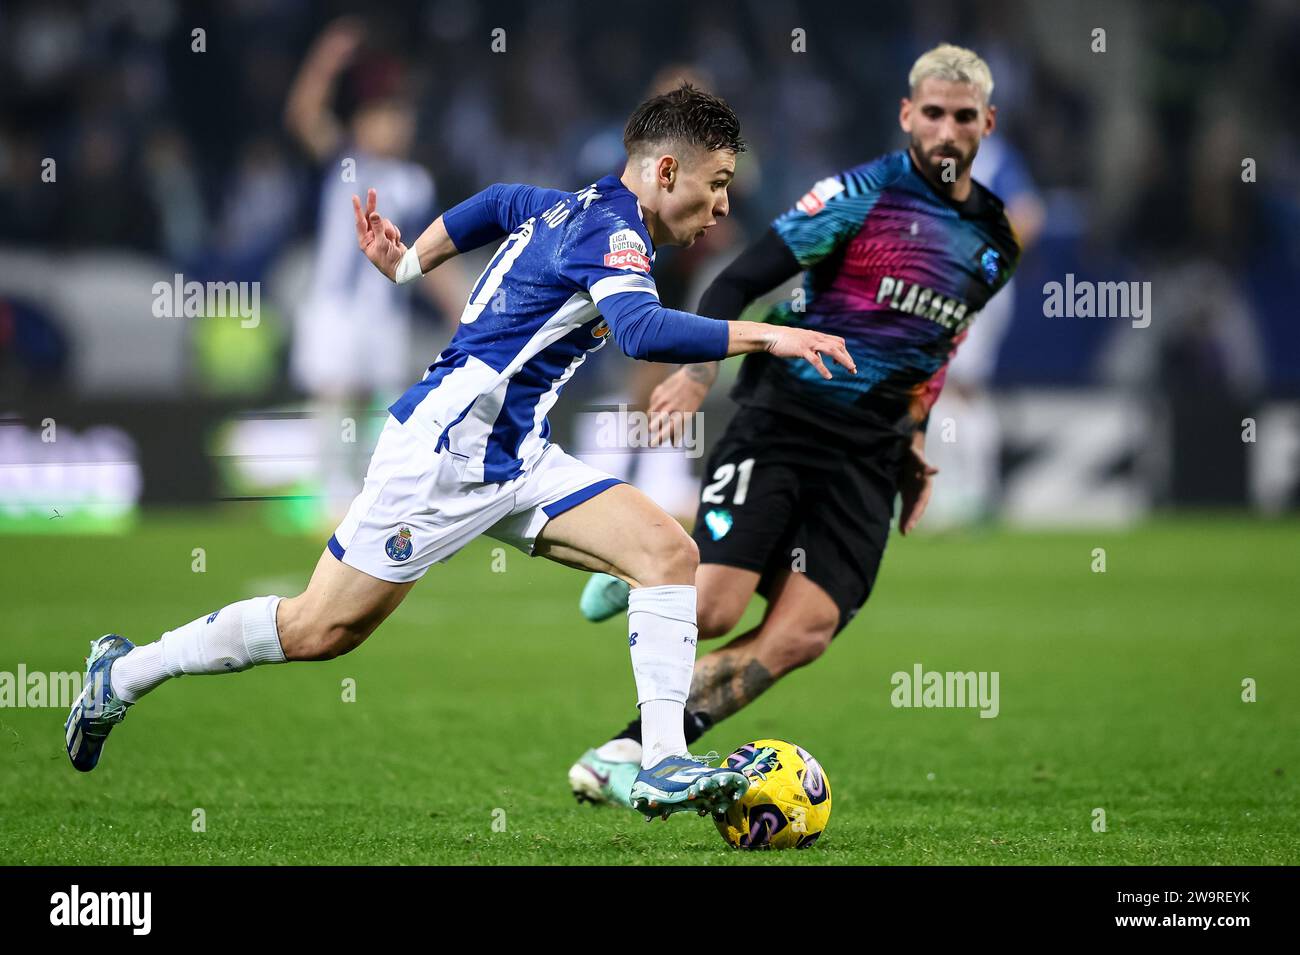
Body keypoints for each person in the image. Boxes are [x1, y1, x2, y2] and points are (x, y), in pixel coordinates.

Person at [64, 84, 854, 824]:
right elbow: (643, 331)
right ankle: (125, 671)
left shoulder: (570, 208)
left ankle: (660, 761)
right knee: (319, 630)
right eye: (716, 183)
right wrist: (771, 333)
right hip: (441, 456)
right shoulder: (612, 233)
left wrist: (411, 263)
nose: (721, 206)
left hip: (516, 457)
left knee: (666, 554)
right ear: (667, 168)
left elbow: (498, 202)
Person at [568, 45, 1021, 808]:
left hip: (870, 452)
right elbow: (736, 279)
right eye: (933, 114)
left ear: (987, 123)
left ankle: (631, 749)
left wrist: (913, 438)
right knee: (709, 608)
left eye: (963, 117)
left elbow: (936, 349)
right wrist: (698, 370)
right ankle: (638, 569)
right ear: (908, 115)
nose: (947, 130)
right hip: (786, 418)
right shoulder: (861, 194)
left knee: (803, 632)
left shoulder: (995, 244)